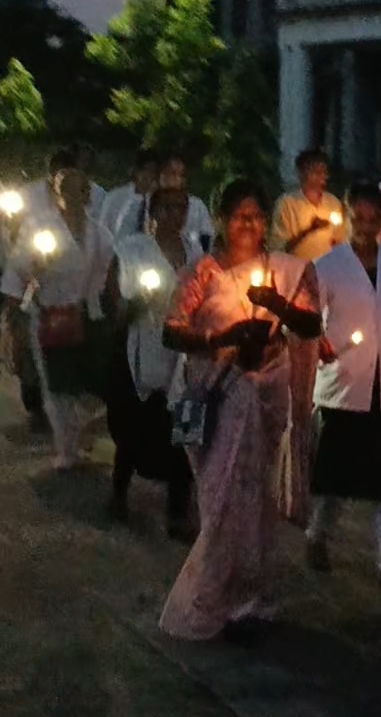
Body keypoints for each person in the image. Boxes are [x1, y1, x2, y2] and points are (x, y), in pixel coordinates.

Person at [158, 179, 322, 640]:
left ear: (266, 222)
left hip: (267, 399)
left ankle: (252, 596)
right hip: (216, 396)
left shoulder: (287, 271)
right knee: (221, 502)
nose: (247, 224)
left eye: (255, 216)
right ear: (220, 220)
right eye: (238, 216)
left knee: (257, 503)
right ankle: (207, 599)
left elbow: (311, 324)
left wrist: (277, 306)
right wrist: (221, 340)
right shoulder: (202, 273)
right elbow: (171, 331)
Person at [305, 182, 381, 602]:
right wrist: (319, 344)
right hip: (345, 387)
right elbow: (308, 323)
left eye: (375, 218)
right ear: (349, 218)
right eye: (360, 217)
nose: (367, 225)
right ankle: (318, 533)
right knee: (335, 477)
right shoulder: (327, 266)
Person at [104, 188, 201, 542]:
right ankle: (119, 490)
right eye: (168, 208)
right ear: (153, 211)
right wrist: (136, 304)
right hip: (144, 348)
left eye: (182, 208)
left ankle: (179, 507)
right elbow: (114, 304)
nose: (176, 215)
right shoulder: (130, 249)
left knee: (187, 429)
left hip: (185, 352)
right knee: (136, 425)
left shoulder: (196, 252)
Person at [0, 169, 114, 470]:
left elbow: (108, 277)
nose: (72, 197)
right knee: (55, 386)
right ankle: (67, 450)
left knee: (87, 385)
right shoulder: (39, 229)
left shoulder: (100, 234)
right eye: (65, 189)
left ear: (87, 194)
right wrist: (15, 316)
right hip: (48, 314)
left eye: (79, 190)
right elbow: (18, 272)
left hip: (86, 314)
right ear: (55, 193)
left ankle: (81, 434)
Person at [270, 149, 345, 261]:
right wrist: (309, 230)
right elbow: (279, 249)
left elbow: (341, 241)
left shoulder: (333, 203)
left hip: (327, 271)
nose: (322, 177)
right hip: (296, 271)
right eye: (317, 172)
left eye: (324, 172)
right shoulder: (287, 204)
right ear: (302, 173)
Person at [99, 150, 160, 240]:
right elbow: (102, 231)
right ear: (136, 171)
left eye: (155, 172)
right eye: (148, 170)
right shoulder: (116, 197)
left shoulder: (158, 201)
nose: (151, 175)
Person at [157, 152, 216, 240]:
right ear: (162, 175)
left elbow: (207, 237)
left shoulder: (197, 206)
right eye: (173, 174)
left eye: (181, 175)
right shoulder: (150, 203)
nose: (178, 179)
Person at [69, 141, 107, 217]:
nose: (82, 165)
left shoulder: (98, 193)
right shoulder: (60, 188)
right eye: (79, 160)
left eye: (86, 161)